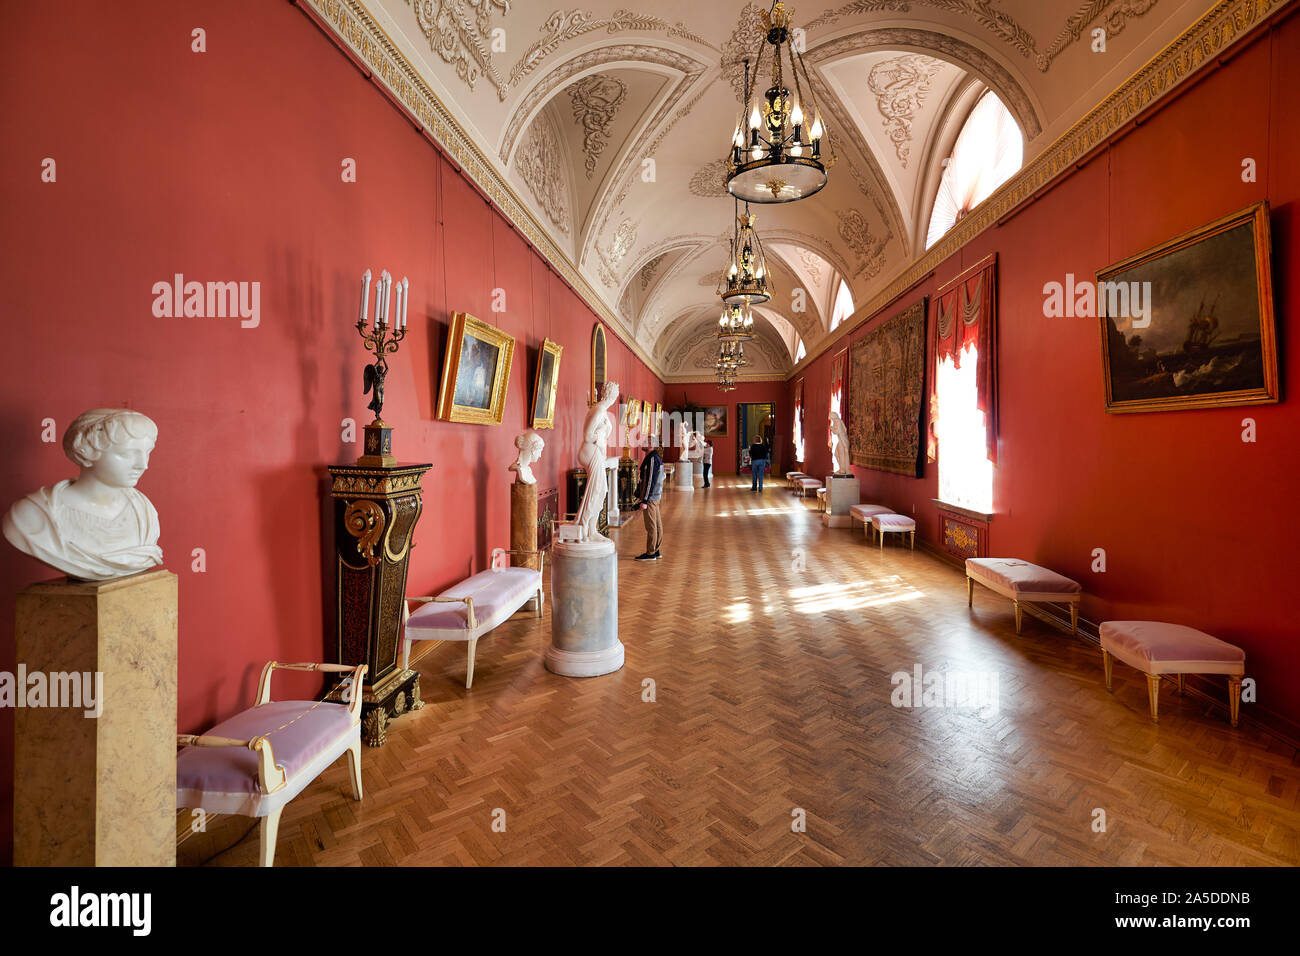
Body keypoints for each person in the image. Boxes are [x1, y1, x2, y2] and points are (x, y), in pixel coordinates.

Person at [634, 437, 664, 561]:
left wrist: (644, 500)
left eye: (646, 442)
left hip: (651, 498)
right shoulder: (654, 457)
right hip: (654, 497)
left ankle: (651, 553)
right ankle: (656, 551)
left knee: (651, 526)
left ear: (652, 445)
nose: (643, 443)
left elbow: (650, 481)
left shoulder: (652, 459)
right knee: (656, 524)